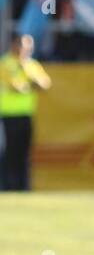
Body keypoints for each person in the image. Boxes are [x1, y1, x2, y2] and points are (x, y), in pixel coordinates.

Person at [0, 34, 51, 192]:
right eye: (24, 46)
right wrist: (30, 82)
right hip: (7, 116)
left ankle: (23, 188)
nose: (26, 50)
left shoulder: (32, 65)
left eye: (29, 46)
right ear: (15, 45)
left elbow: (45, 84)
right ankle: (8, 187)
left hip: (26, 115)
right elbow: (17, 87)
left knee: (24, 153)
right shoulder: (5, 63)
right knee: (8, 154)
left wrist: (28, 76)